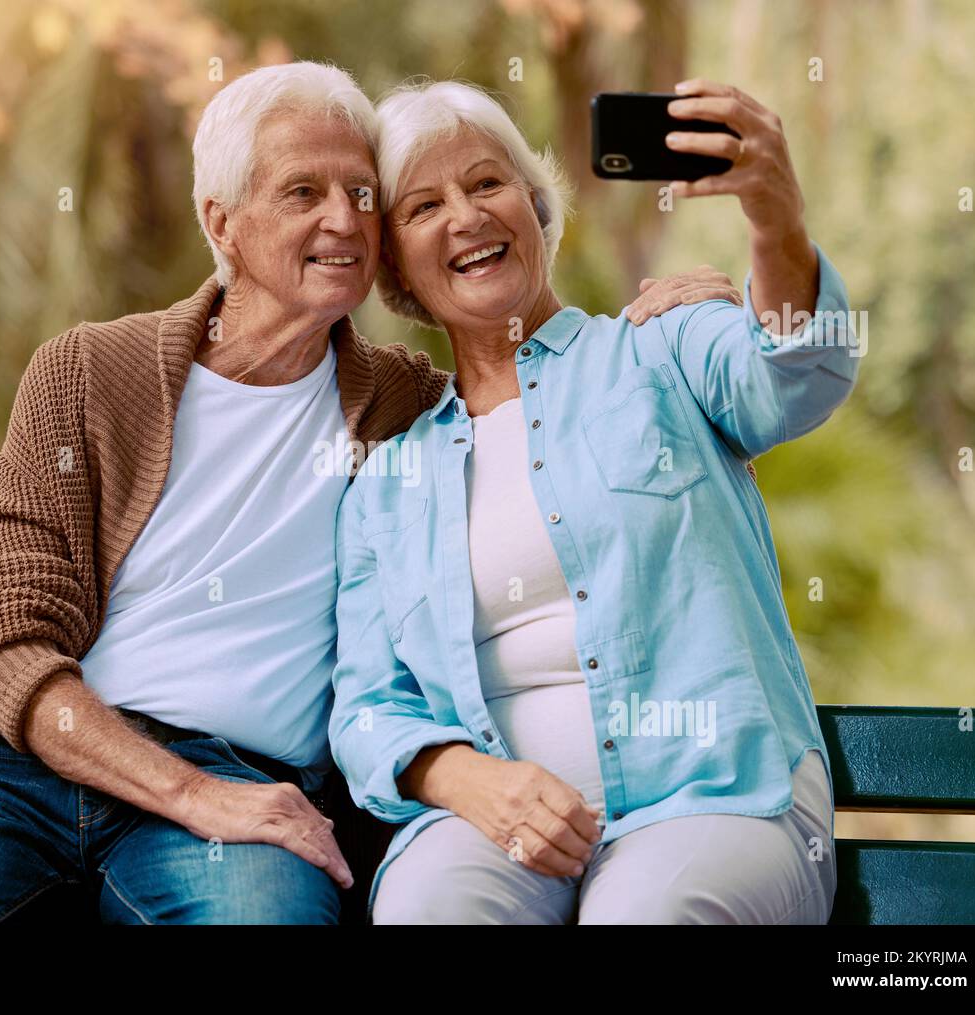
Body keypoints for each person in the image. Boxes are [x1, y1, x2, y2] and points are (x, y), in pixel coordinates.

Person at [0, 63, 731, 925]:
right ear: (221, 222)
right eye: (302, 191)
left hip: (249, 784)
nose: (345, 220)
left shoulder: (406, 409)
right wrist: (185, 793)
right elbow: (2, 635)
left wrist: (670, 332)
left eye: (360, 192)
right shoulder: (92, 373)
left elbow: (552, 406)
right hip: (27, 770)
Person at [329, 78, 858, 924]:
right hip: (500, 831)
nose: (466, 216)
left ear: (537, 208)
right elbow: (365, 707)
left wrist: (774, 217)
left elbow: (800, 377)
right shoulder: (389, 479)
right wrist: (469, 779)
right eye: (424, 205)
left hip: (715, 796)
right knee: (428, 907)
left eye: (487, 183)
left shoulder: (665, 347)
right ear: (393, 265)